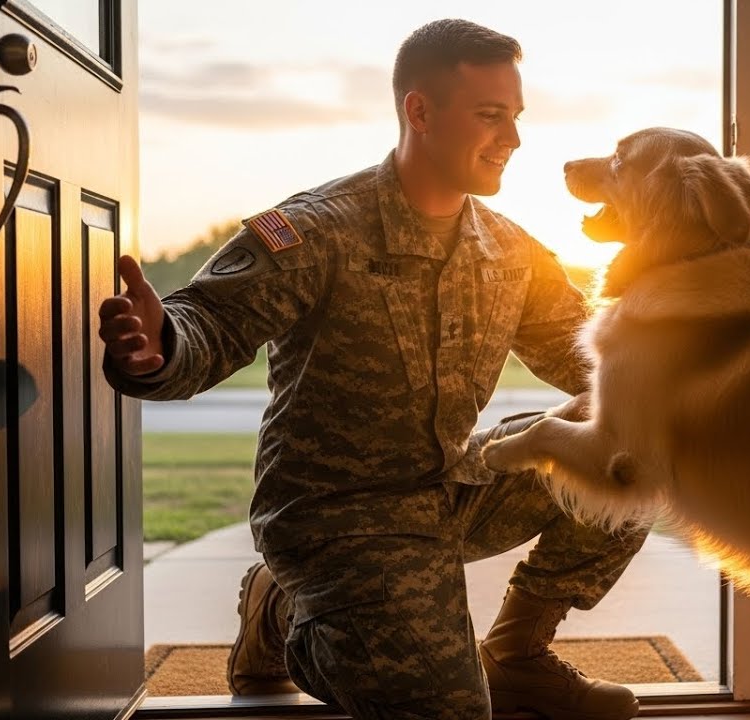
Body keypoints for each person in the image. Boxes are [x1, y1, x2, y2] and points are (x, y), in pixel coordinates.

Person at [98, 18, 648, 720]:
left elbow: (597, 361)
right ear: (419, 111)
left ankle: (517, 656)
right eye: (489, 116)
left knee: (637, 448)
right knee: (447, 710)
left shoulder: (512, 254)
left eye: (514, 117)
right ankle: (282, 613)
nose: (512, 139)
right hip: (337, 517)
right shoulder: (320, 230)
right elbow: (212, 323)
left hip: (452, 482)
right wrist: (160, 345)